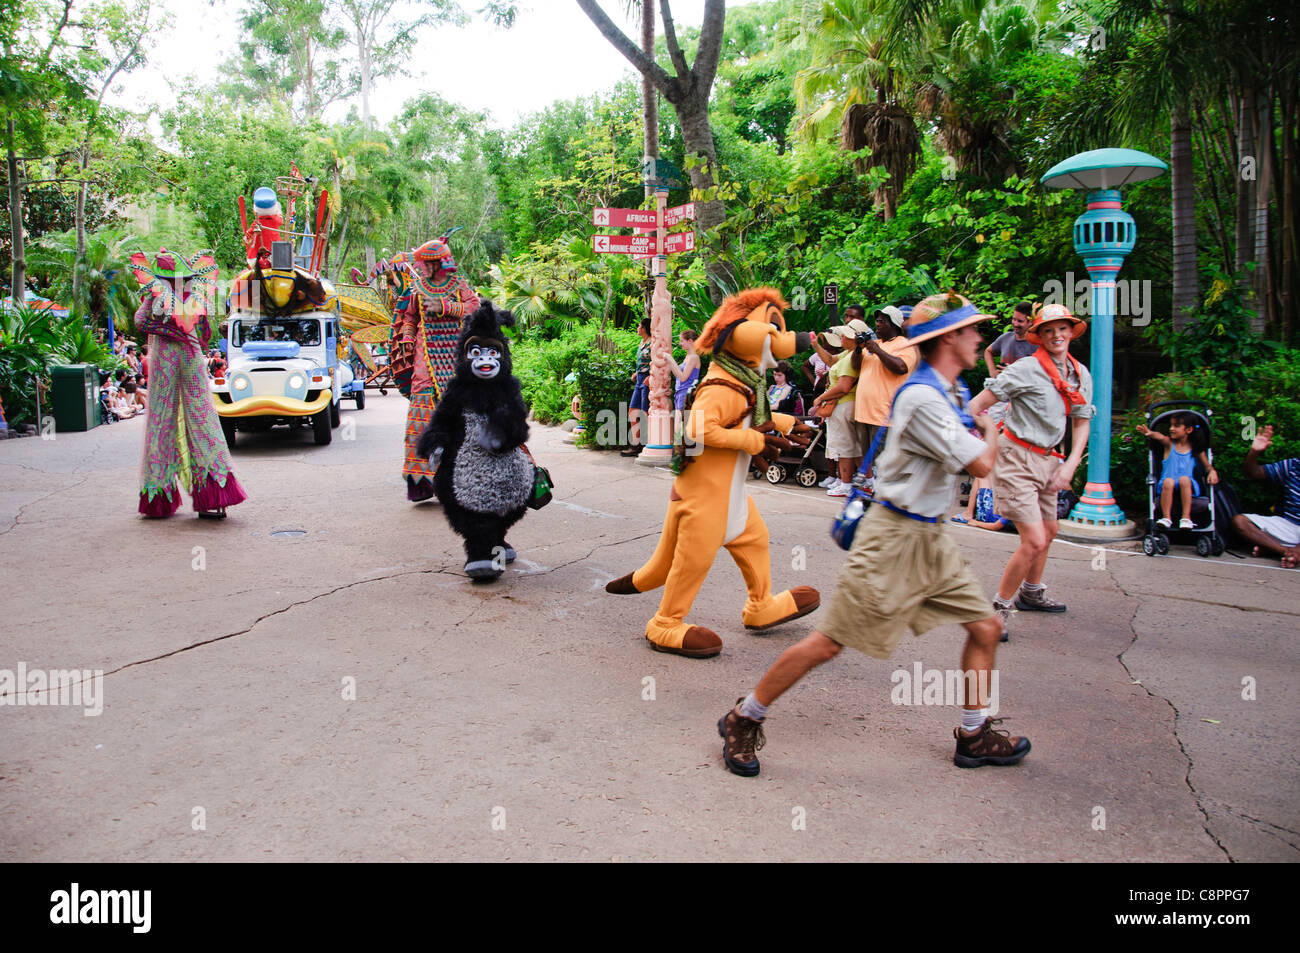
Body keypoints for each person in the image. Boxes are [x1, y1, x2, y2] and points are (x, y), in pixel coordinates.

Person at [718, 292, 1029, 777]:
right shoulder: (926, 397)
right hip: (893, 537)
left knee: (985, 627)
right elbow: (982, 462)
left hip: (929, 537)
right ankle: (744, 717)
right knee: (829, 643)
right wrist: (993, 428)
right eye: (969, 330)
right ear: (948, 338)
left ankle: (973, 734)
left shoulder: (946, 390)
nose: (978, 337)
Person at [967, 303, 1093, 640]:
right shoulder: (1025, 369)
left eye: (1062, 329)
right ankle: (997, 611)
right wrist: (990, 441)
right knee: (1034, 538)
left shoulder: (1079, 374)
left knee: (1048, 531)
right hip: (1016, 457)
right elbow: (976, 407)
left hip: (1050, 460)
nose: (1056, 335)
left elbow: (1082, 422)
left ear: (1071, 332)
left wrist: (1071, 464)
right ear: (1039, 336)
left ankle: (1031, 592)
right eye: (1049, 330)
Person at [129, 248, 247, 518]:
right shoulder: (192, 297)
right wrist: (184, 333)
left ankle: (162, 498)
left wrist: (170, 331)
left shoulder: (161, 296)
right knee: (199, 419)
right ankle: (213, 496)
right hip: (186, 357)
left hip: (169, 361)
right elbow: (205, 331)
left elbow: (141, 320)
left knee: (165, 422)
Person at [398, 236, 480, 502]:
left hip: (454, 356)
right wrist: (407, 337)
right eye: (424, 263)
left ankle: (463, 481)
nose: (425, 268)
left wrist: (445, 306)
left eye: (429, 263)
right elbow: (409, 317)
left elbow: (473, 308)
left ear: (440, 263)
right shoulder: (417, 287)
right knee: (420, 417)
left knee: (462, 418)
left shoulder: (458, 285)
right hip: (426, 356)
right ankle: (421, 483)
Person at [853, 304, 919, 483]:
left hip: (884, 415)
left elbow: (901, 367)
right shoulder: (873, 345)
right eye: (877, 321)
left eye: (882, 321)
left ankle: (885, 493)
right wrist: (859, 348)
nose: (878, 324)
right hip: (864, 414)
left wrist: (877, 350)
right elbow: (855, 366)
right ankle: (874, 489)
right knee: (869, 461)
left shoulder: (904, 344)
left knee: (884, 462)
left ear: (894, 324)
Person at [1231, 424, 1300, 568]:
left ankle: (1282, 551)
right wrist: (1254, 452)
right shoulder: (1293, 465)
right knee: (1240, 522)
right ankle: (1286, 552)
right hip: (1291, 525)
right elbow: (1252, 472)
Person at [1137, 413, 1217, 530]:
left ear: (1189, 430)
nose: (1171, 429)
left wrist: (1212, 472)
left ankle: (1186, 518)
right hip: (1167, 484)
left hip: (1188, 484)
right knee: (1169, 481)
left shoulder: (1195, 448)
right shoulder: (1169, 444)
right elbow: (1160, 436)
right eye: (1171, 425)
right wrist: (1150, 433)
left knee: (1184, 479)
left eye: (1176, 426)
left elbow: (1207, 466)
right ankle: (1166, 518)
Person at [622, 318, 652, 457]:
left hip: (646, 380)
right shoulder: (642, 343)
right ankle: (635, 444)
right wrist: (637, 372)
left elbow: (657, 362)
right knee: (632, 411)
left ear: (645, 328)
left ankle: (646, 444)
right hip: (639, 379)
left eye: (639, 326)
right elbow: (642, 362)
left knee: (644, 413)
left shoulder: (653, 343)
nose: (637, 328)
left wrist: (650, 376)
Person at [983, 302, 1036, 378]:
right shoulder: (1006, 337)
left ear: (1030, 322)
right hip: (1001, 386)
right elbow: (988, 351)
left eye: (1020, 321)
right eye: (1014, 319)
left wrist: (1012, 372)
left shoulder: (1036, 344)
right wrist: (992, 371)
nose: (1015, 324)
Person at [668, 327, 700, 418]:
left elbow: (683, 377)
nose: (680, 343)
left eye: (682, 341)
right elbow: (678, 375)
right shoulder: (688, 356)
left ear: (690, 341)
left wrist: (671, 359)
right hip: (679, 392)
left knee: (682, 425)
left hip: (686, 394)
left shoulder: (694, 357)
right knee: (679, 426)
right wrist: (670, 362)